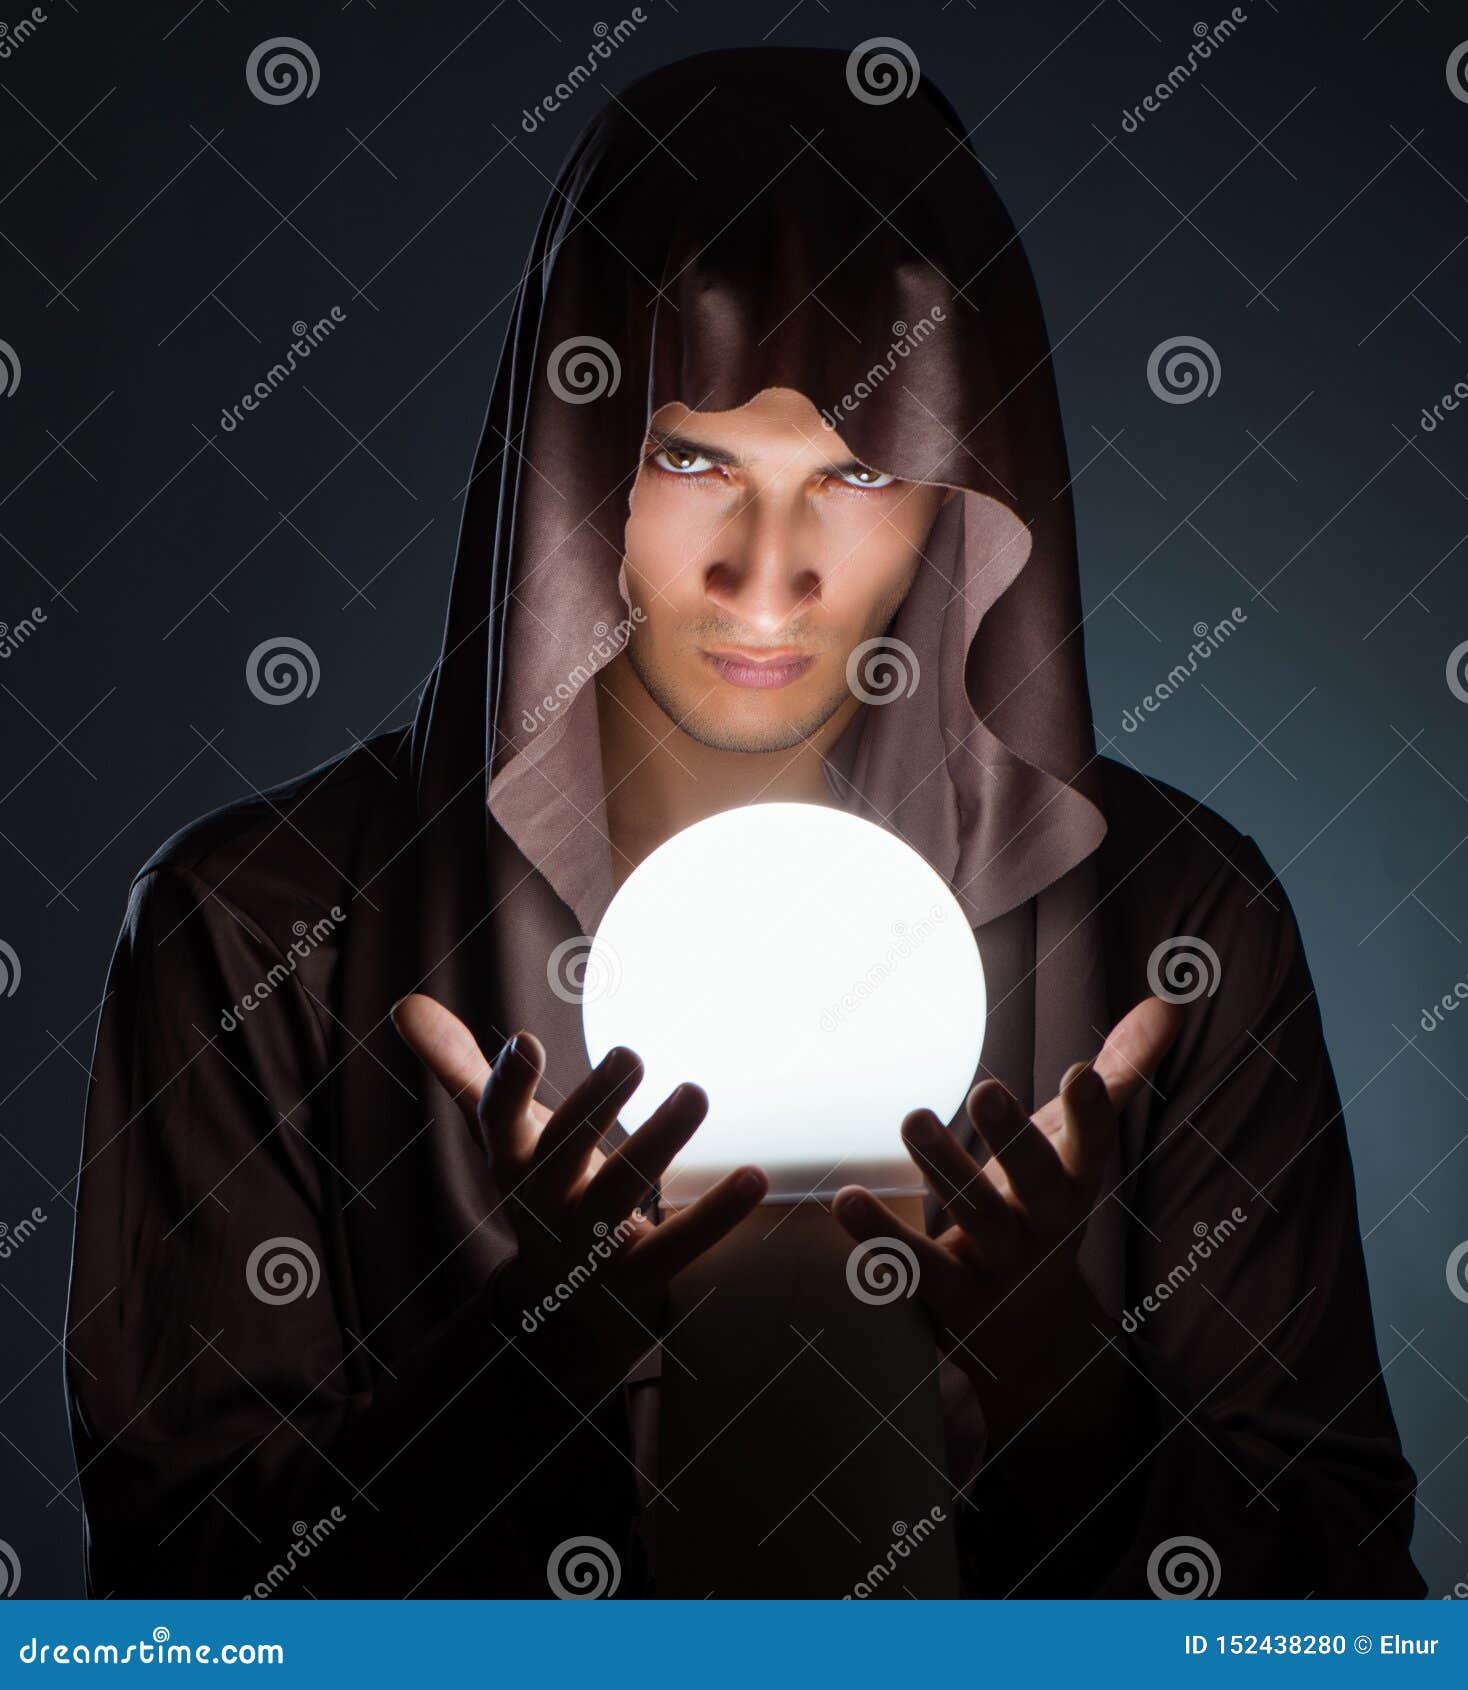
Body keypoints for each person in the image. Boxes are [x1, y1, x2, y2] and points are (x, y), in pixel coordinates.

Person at [64, 46, 1423, 1599]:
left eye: (856, 469)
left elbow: (1348, 1611)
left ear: (962, 484)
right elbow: (179, 1617)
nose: (765, 572)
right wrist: (535, 1365)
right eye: (693, 454)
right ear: (575, 459)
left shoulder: (1180, 937)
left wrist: (1066, 1392)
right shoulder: (260, 933)